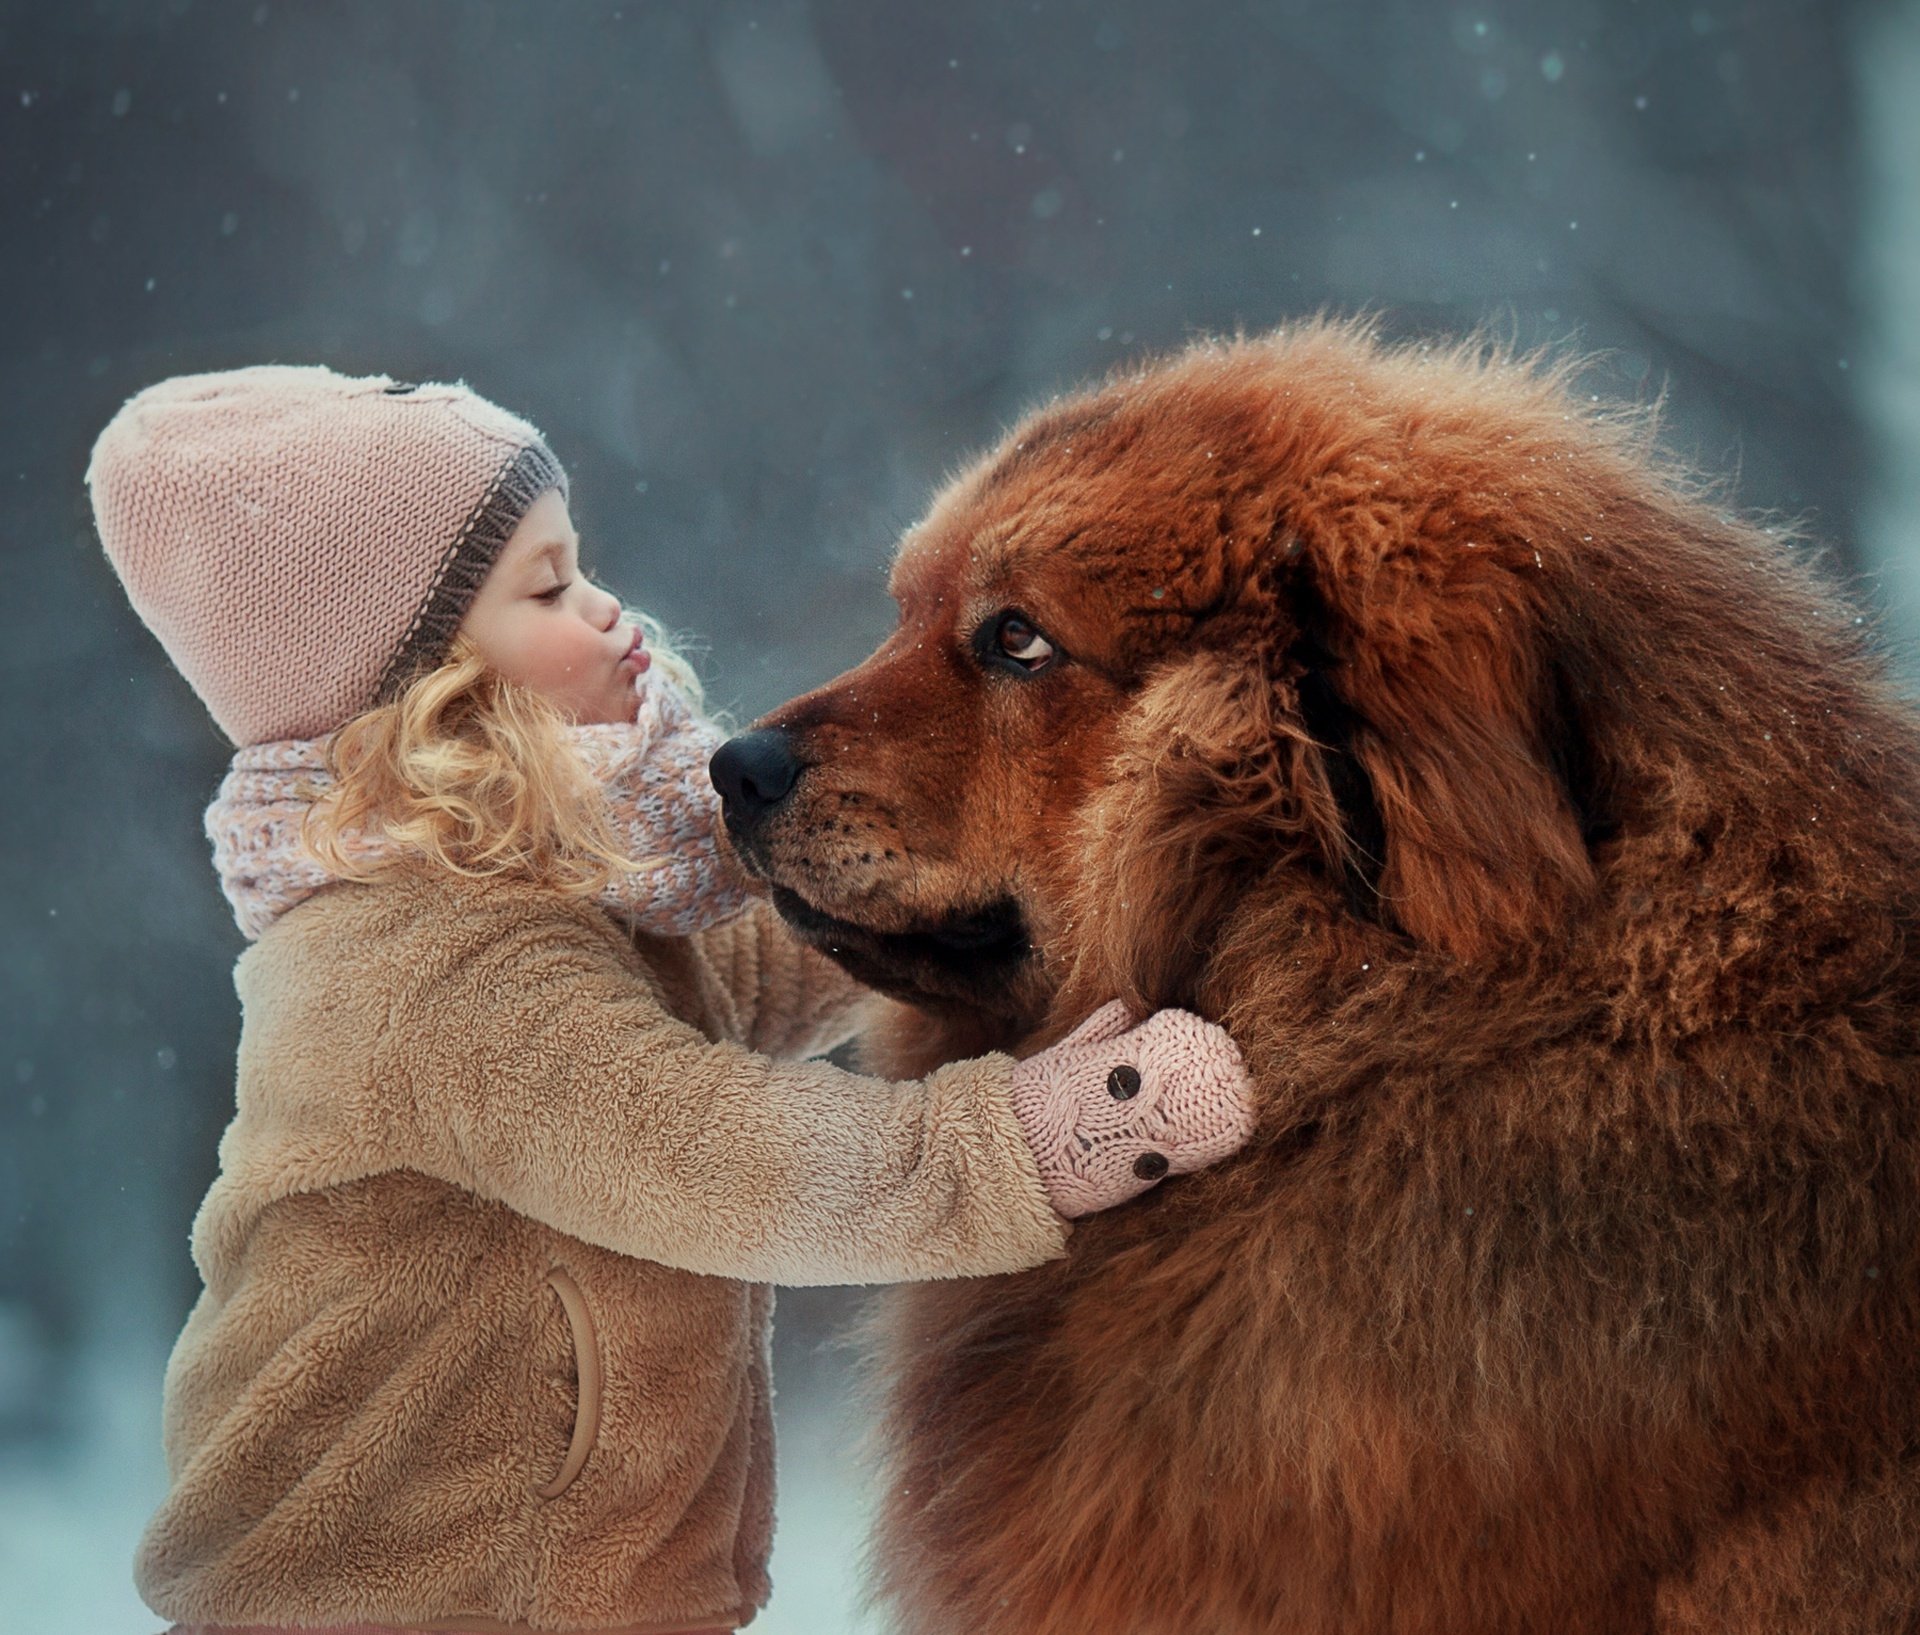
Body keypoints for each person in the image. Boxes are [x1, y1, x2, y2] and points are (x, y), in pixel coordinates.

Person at [86, 366, 1256, 1635]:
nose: (610, 611)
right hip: (413, 1603)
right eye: (549, 590)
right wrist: (1037, 1139)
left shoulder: (540, 910)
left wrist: (918, 878)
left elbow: (750, 972)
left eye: (583, 567)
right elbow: (723, 1162)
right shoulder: (428, 974)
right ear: (430, 699)